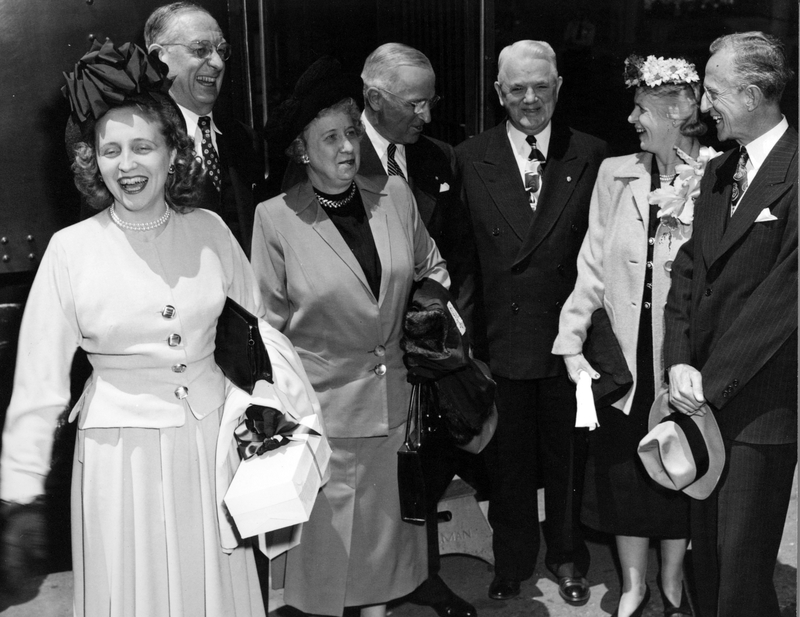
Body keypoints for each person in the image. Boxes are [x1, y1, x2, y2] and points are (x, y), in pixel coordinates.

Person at [0, 40, 319, 616]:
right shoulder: (69, 250)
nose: (126, 166)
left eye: (142, 147)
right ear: (91, 160)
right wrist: (19, 493)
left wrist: (268, 420)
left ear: (173, 152)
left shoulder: (212, 231)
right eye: (110, 150)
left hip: (208, 447)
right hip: (117, 458)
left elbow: (258, 340)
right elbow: (38, 381)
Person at [252, 57, 450, 617]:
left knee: (383, 564)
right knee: (329, 565)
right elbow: (267, 326)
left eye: (351, 134)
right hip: (323, 418)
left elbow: (432, 269)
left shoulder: (395, 198)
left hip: (394, 410)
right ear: (301, 149)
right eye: (330, 137)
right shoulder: (276, 219)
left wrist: (426, 312)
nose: (346, 148)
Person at [553, 54, 708, 617]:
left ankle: (671, 581)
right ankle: (634, 585)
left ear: (676, 113)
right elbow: (591, 266)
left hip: (684, 358)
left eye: (642, 109)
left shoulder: (714, 179)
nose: (632, 119)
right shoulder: (615, 174)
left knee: (677, 470)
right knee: (623, 473)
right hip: (621, 359)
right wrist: (572, 345)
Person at [455, 39, 609, 604]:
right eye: (516, 88)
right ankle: (512, 560)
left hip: (570, 342)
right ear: (498, 92)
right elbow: (464, 257)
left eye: (541, 86)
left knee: (568, 458)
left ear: (558, 88)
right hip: (503, 339)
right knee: (509, 464)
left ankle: (568, 557)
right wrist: (469, 345)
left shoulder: (591, 154)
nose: (529, 99)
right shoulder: (472, 157)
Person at [664, 32, 797, 617]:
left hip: (758, 411)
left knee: (741, 572)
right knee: (709, 558)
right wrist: (677, 361)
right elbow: (690, 273)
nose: (703, 105)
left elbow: (782, 302)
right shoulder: (720, 171)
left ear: (750, 93)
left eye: (713, 92)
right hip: (702, 397)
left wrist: (707, 386)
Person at [145, 1, 265, 255]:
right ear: (158, 58)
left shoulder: (244, 138)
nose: (218, 63)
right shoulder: (140, 144)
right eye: (201, 50)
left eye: (221, 51)